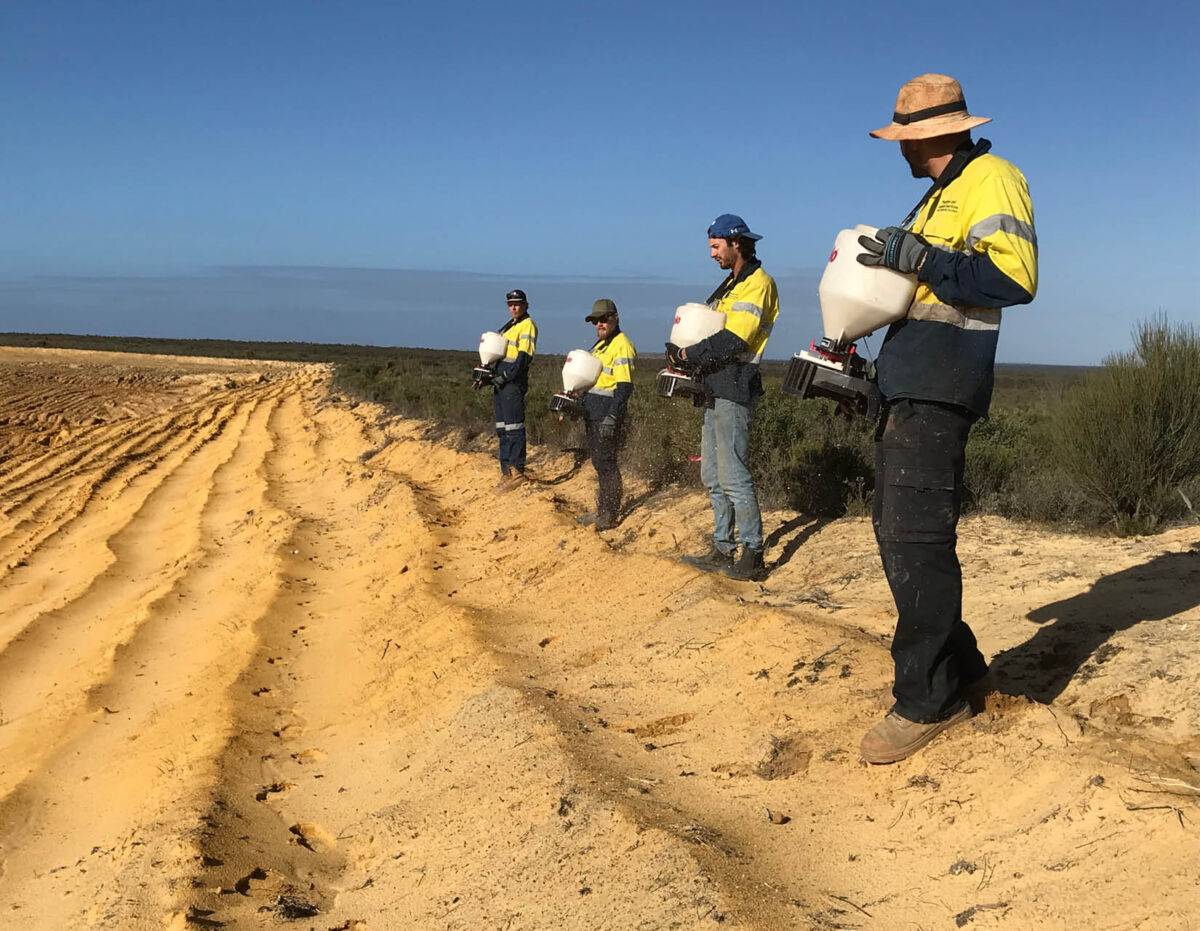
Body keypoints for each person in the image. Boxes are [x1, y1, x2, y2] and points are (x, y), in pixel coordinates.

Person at [854, 74, 1038, 764]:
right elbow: (928, 288)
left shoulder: (992, 178)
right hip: (913, 379)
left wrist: (921, 256)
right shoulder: (939, 192)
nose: (897, 147)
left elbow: (1012, 278)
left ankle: (928, 700)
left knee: (916, 536)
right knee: (901, 533)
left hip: (942, 383)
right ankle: (965, 671)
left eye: (904, 135)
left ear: (931, 133)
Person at [672, 214, 779, 582]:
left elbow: (737, 339)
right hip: (715, 385)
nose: (712, 254)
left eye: (716, 246)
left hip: (736, 383)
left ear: (737, 243)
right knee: (712, 475)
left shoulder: (758, 284)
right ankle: (722, 546)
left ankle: (753, 552)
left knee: (733, 474)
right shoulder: (730, 286)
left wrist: (689, 354)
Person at [577, 299, 636, 532]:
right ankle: (602, 509)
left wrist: (613, 416)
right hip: (593, 411)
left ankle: (609, 513)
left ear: (615, 318)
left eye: (604, 319)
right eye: (595, 321)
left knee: (607, 464)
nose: (599, 324)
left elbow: (624, 387)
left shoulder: (622, 345)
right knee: (599, 463)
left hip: (606, 413)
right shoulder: (600, 346)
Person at [491, 288, 538, 492]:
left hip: (512, 382)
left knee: (514, 427)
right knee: (502, 428)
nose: (514, 307)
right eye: (511, 304)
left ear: (526, 305)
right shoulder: (510, 326)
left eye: (517, 304)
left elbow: (523, 358)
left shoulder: (527, 326)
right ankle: (506, 472)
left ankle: (517, 471)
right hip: (500, 381)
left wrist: (507, 376)